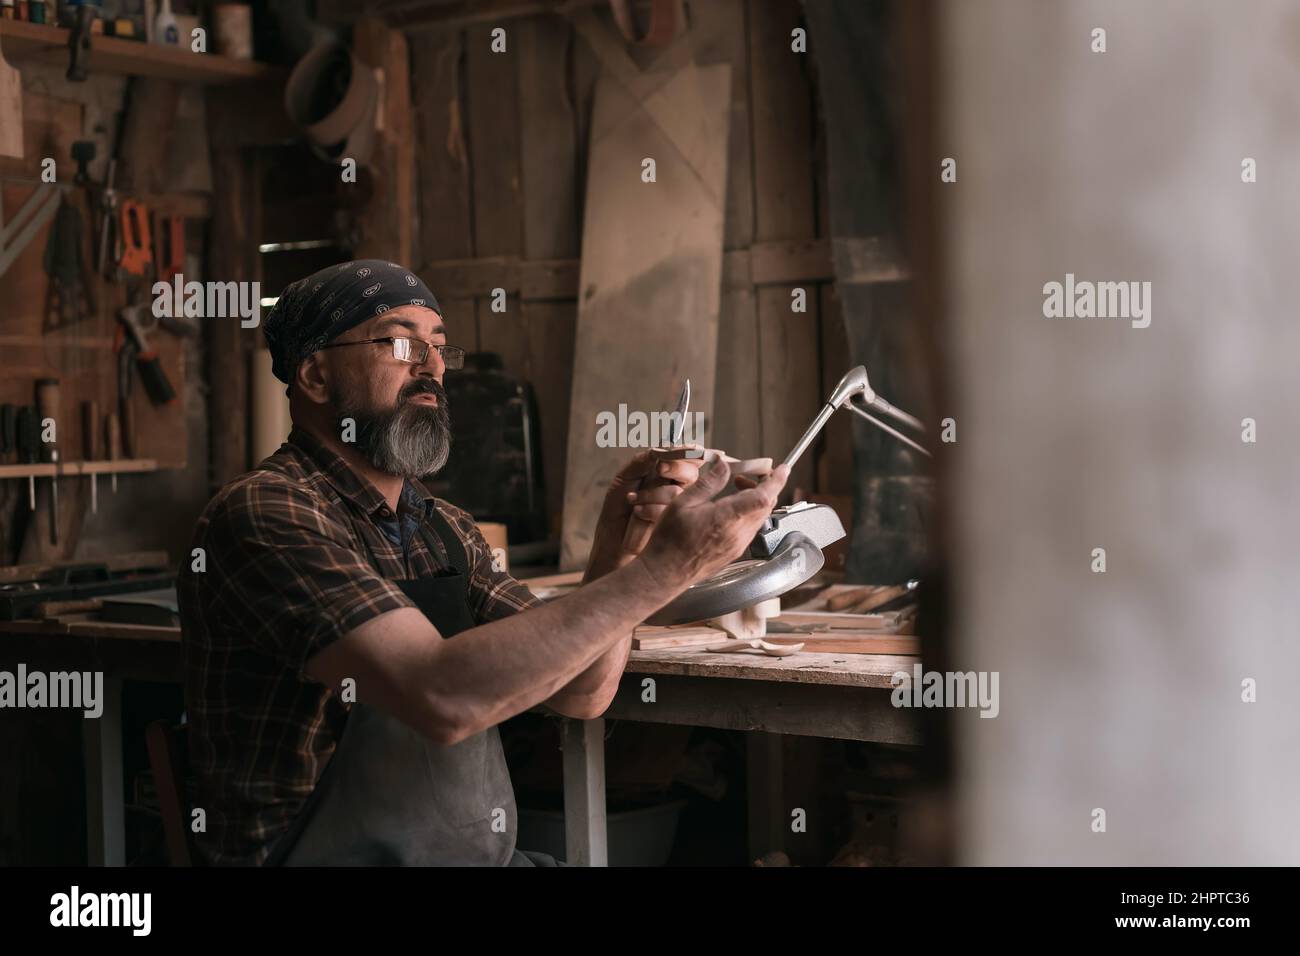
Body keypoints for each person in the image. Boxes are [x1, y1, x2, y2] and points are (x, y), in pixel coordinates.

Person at [177, 259, 788, 865]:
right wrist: (666, 570)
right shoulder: (266, 512)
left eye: (439, 347)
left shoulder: (442, 527)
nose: (431, 366)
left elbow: (582, 690)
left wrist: (621, 546)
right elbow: (439, 697)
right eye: (399, 342)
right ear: (314, 375)